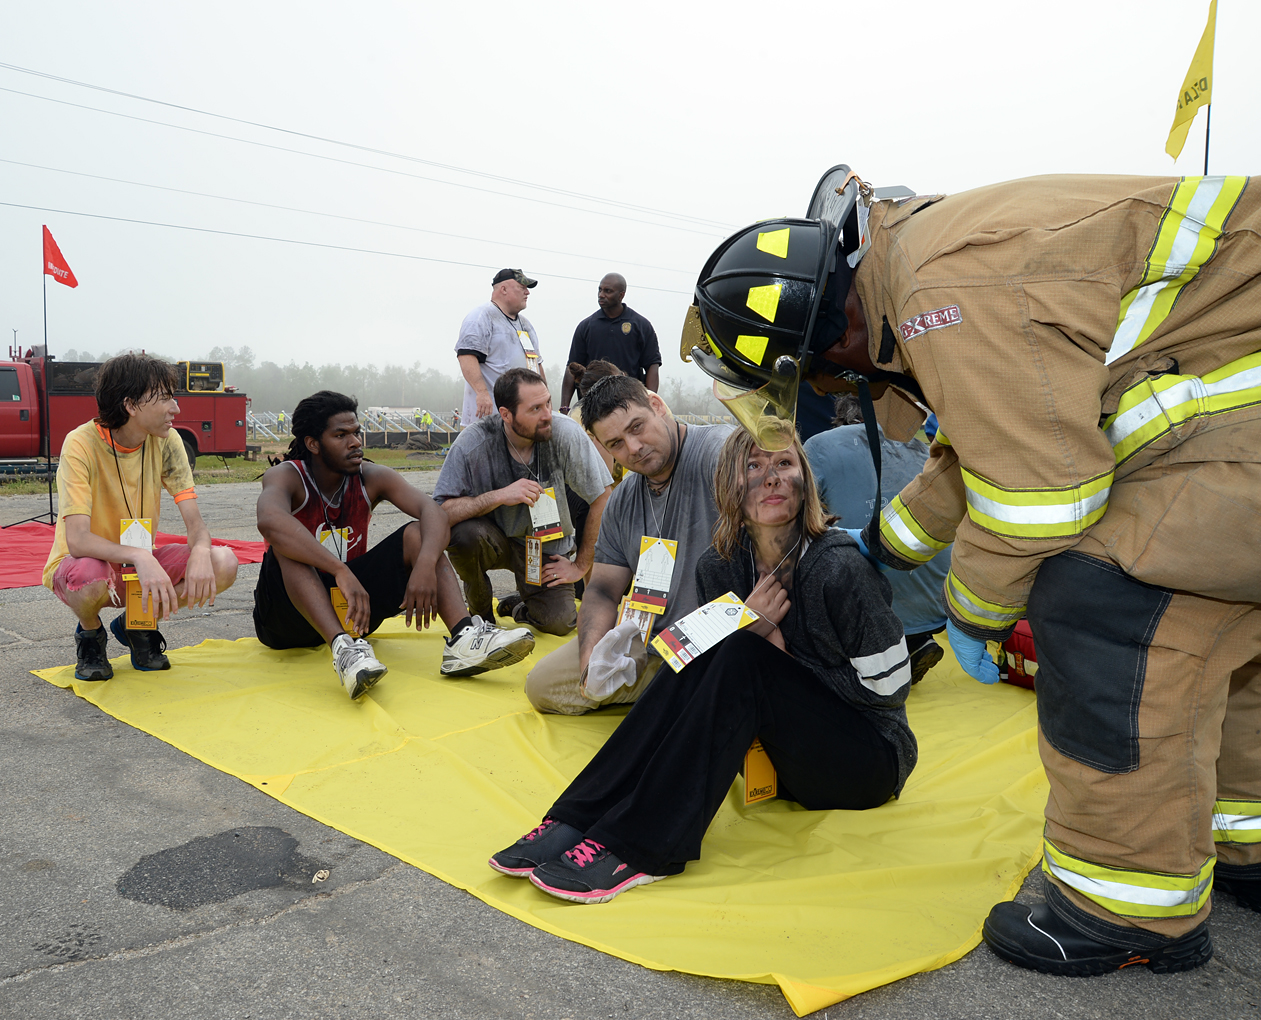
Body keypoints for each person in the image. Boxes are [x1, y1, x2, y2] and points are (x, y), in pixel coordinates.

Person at [685, 166, 1261, 974]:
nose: (830, 389)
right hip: (1227, 413)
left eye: (816, 373)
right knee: (1209, 623)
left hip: (1232, 431)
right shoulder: (923, 269)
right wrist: (888, 545)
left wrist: (974, 612)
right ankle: (1244, 847)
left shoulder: (939, 289)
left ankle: (1125, 910)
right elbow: (988, 444)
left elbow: (1043, 492)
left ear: (832, 334)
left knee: (1100, 601)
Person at [490, 427, 915, 903]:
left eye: (783, 465)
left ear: (806, 480)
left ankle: (644, 845)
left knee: (743, 651)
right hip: (782, 764)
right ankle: (576, 817)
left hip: (867, 761)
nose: (770, 478)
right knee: (698, 649)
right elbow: (700, 679)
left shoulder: (839, 570)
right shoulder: (720, 567)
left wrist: (777, 649)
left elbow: (891, 690)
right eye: (753, 467)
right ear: (729, 488)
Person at [253, 390, 535, 700]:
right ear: (313, 444)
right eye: (341, 435)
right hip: (284, 620)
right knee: (287, 545)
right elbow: (270, 521)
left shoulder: (371, 476)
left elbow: (434, 513)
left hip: (353, 613)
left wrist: (426, 565)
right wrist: (339, 570)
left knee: (418, 534)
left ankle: (463, 640)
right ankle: (343, 651)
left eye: (357, 432)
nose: (355, 442)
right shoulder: (286, 476)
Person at [525, 374, 731, 714]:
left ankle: (681, 694)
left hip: (718, 637)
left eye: (637, 427)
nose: (633, 448)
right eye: (616, 443)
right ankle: (664, 690)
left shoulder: (718, 453)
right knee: (543, 685)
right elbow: (603, 590)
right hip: (656, 641)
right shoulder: (623, 500)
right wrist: (592, 662)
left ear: (657, 405)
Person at [42, 353, 240, 681]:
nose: (176, 409)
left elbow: (195, 524)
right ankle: (91, 635)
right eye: (165, 399)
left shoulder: (167, 440)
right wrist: (139, 555)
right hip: (87, 564)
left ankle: (137, 623)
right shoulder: (80, 444)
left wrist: (202, 551)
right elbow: (76, 540)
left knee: (224, 563)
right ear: (131, 405)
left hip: (139, 567)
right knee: (91, 574)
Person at [434, 367, 612, 636]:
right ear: (505, 414)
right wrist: (500, 496)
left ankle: (521, 606)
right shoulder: (473, 443)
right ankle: (481, 616)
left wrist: (581, 565)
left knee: (560, 622)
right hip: (494, 540)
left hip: (544, 548)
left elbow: (603, 496)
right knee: (462, 535)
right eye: (535, 408)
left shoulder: (565, 432)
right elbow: (439, 513)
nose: (546, 415)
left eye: (548, 403)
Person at [803, 393, 950, 683]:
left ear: (842, 417)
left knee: (818, 542)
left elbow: (799, 514)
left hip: (874, 604)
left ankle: (869, 655)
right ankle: (913, 642)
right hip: (937, 602)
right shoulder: (923, 449)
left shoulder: (820, 446)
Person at [560, 273, 661, 413]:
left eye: (608, 291)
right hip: (592, 408)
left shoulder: (641, 325)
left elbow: (652, 365)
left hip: (630, 405)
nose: (601, 294)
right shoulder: (586, 326)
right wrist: (564, 407)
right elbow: (571, 368)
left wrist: (649, 401)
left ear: (621, 295)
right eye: (600, 290)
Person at [456, 268, 545, 424]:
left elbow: (536, 364)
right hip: (489, 418)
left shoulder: (525, 325)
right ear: (503, 289)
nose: (527, 292)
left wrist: (545, 400)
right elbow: (466, 356)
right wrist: (482, 393)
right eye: (522, 287)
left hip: (522, 419)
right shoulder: (481, 317)